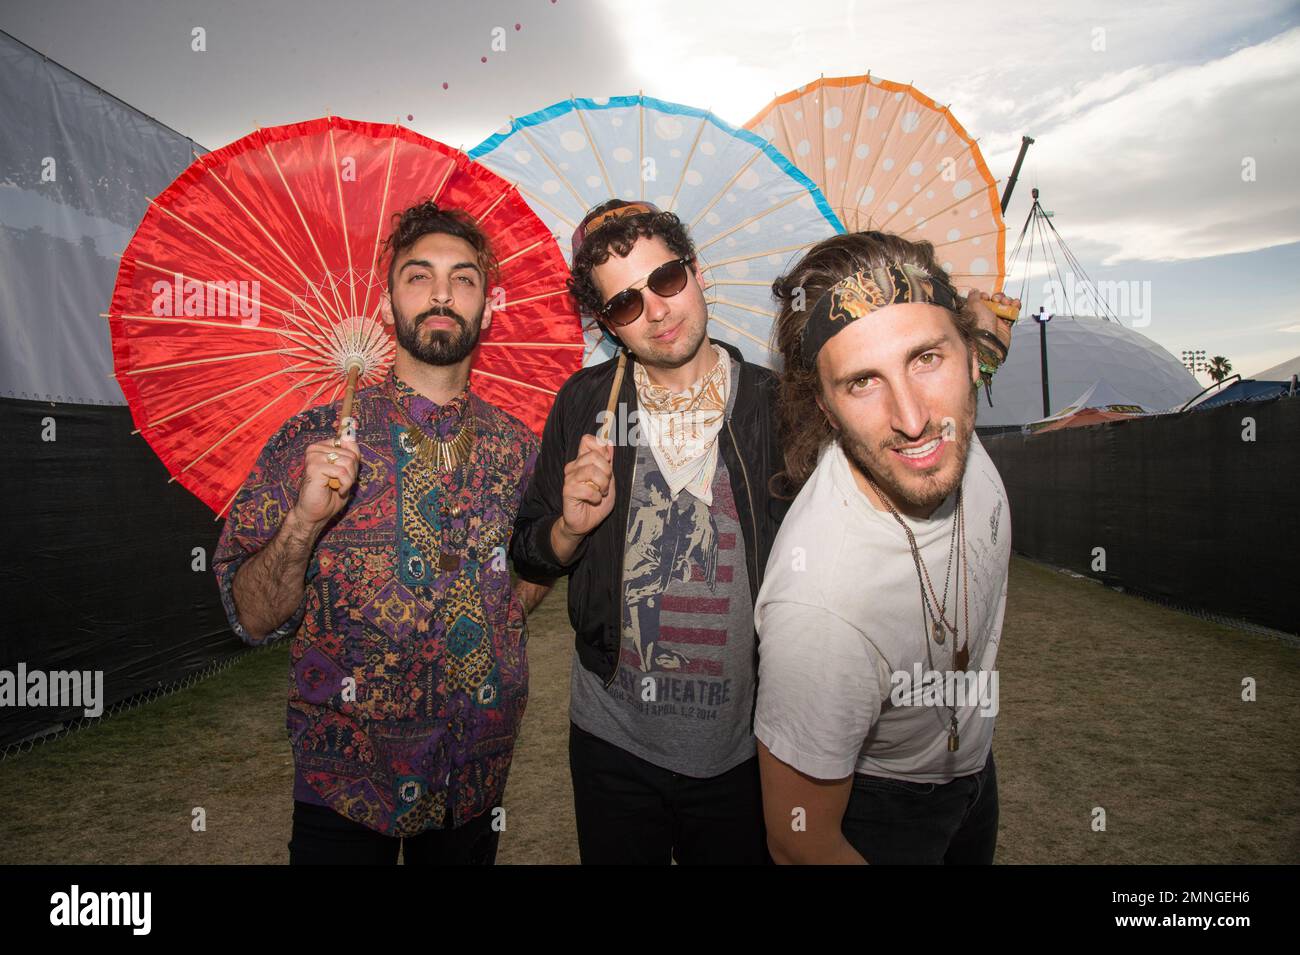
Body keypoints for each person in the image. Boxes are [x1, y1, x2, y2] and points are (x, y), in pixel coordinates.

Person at [213, 198, 545, 864]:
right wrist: (304, 523)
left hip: (473, 780)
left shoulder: (519, 450)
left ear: (486, 305)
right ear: (390, 299)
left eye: (464, 278)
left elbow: (526, 580)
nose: (443, 292)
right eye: (419, 275)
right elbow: (250, 615)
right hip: (344, 786)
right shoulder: (310, 438)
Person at [510, 200, 786, 864]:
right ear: (607, 325)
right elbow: (528, 546)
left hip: (742, 747)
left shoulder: (773, 405)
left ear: (695, 272)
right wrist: (569, 532)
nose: (656, 310)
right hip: (612, 742)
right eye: (626, 303)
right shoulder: (584, 403)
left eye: (665, 280)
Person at [754, 231, 1018, 864]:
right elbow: (797, 840)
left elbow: (982, 336)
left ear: (966, 355)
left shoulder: (958, 399)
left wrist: (982, 326)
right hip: (879, 810)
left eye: (927, 357)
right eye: (862, 382)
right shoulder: (822, 610)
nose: (913, 419)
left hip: (974, 770)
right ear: (825, 407)